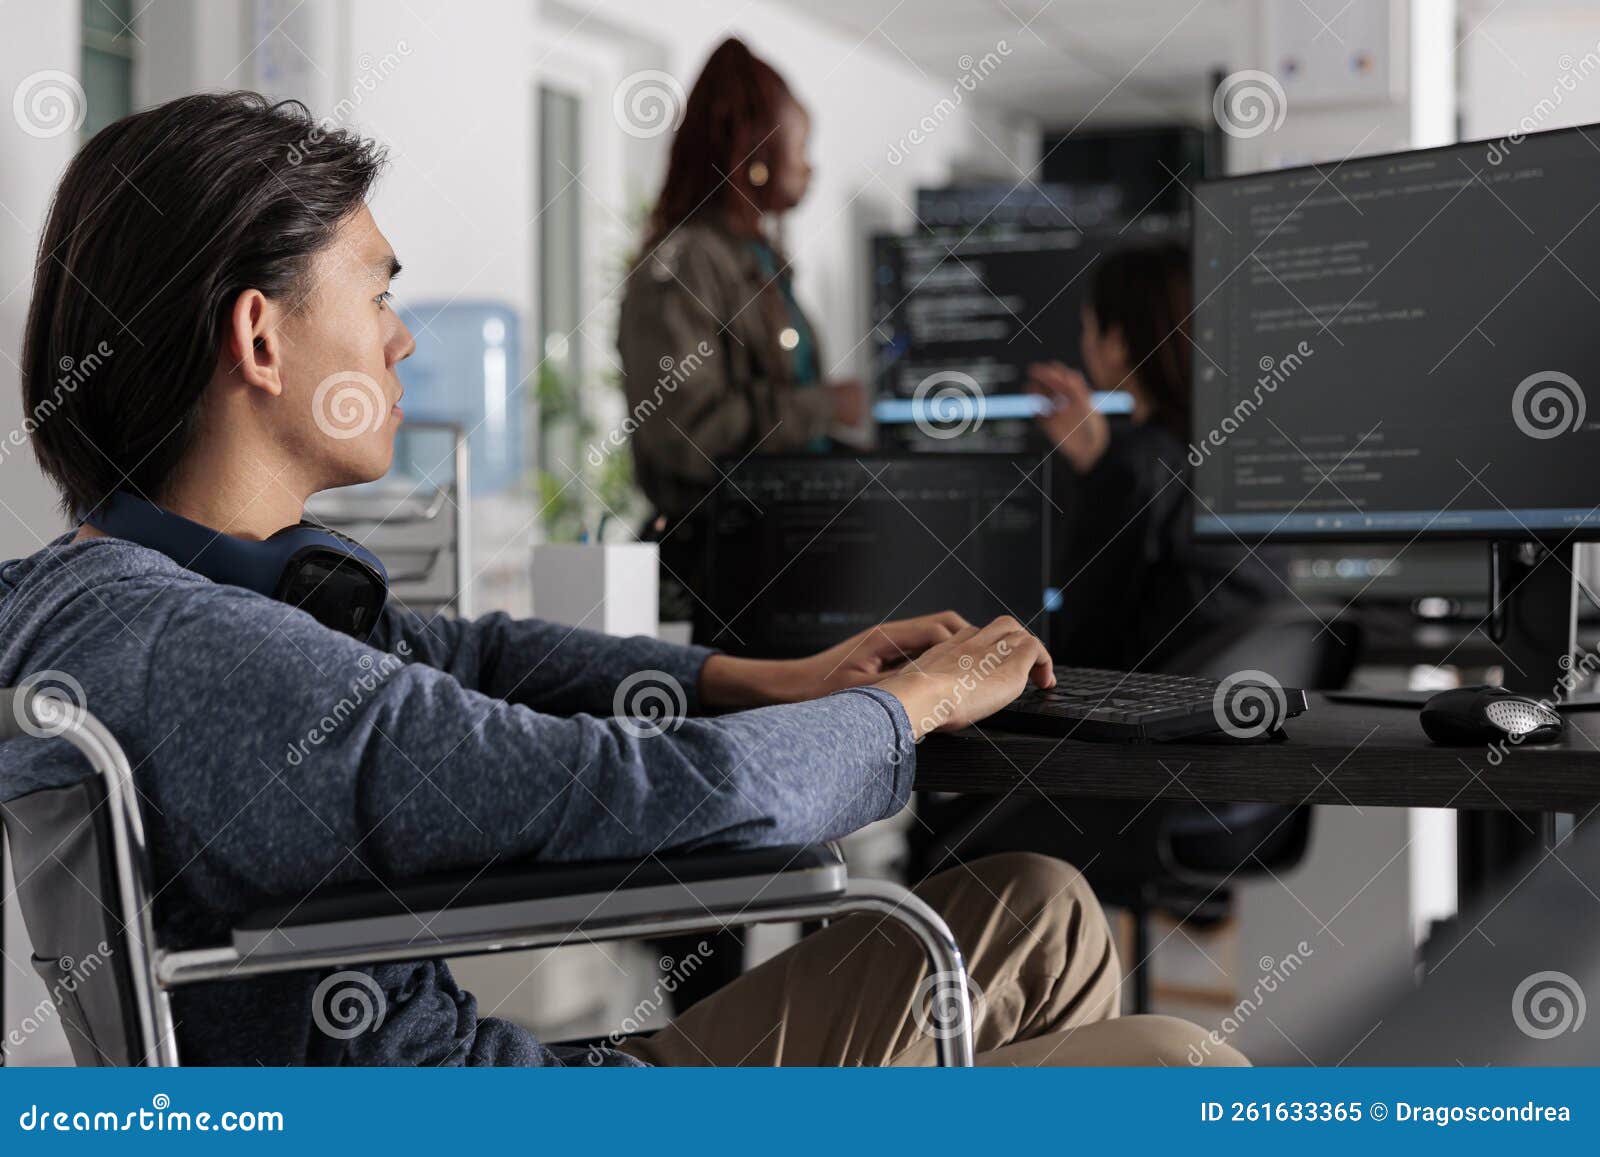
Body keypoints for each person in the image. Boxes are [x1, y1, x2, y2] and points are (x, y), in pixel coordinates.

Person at [0, 91, 1242, 1068]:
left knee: (1039, 908)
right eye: (377, 290)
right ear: (261, 337)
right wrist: (916, 703)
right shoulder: (217, 659)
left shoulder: (121, 599)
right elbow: (640, 792)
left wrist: (765, 677)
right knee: (1176, 1061)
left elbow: (473, 656)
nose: (402, 334)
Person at [617, 38, 866, 610]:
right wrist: (823, 407)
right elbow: (686, 436)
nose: (810, 166)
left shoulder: (759, 261)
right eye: (800, 147)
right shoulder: (685, 264)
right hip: (720, 579)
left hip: (787, 559)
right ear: (757, 152)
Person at [1030, 243, 1283, 670]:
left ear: (1116, 344)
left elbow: (1080, 643)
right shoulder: (1244, 451)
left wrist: (1099, 473)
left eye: (1088, 327)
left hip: (1142, 698)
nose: (1084, 342)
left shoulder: (1135, 465)